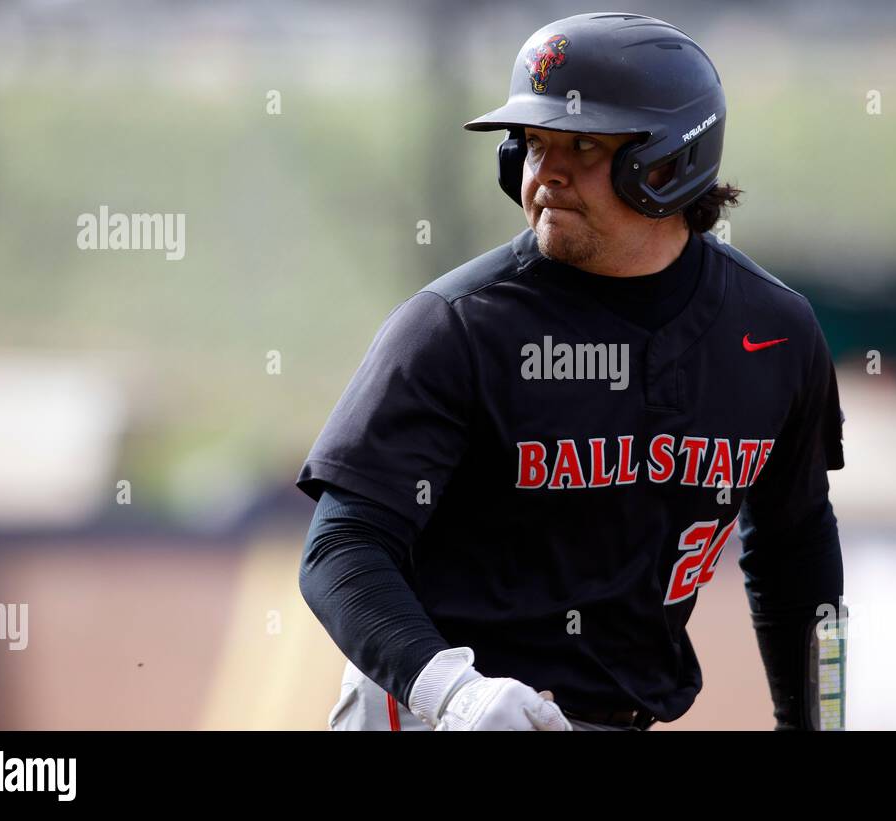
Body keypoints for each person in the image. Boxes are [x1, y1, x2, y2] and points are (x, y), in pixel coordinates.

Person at [296, 12, 847, 732]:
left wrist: (820, 723)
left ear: (671, 162)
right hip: (439, 712)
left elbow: (794, 545)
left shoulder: (774, 333)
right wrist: (455, 691)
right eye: (532, 144)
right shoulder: (456, 327)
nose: (545, 171)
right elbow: (340, 547)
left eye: (582, 144)